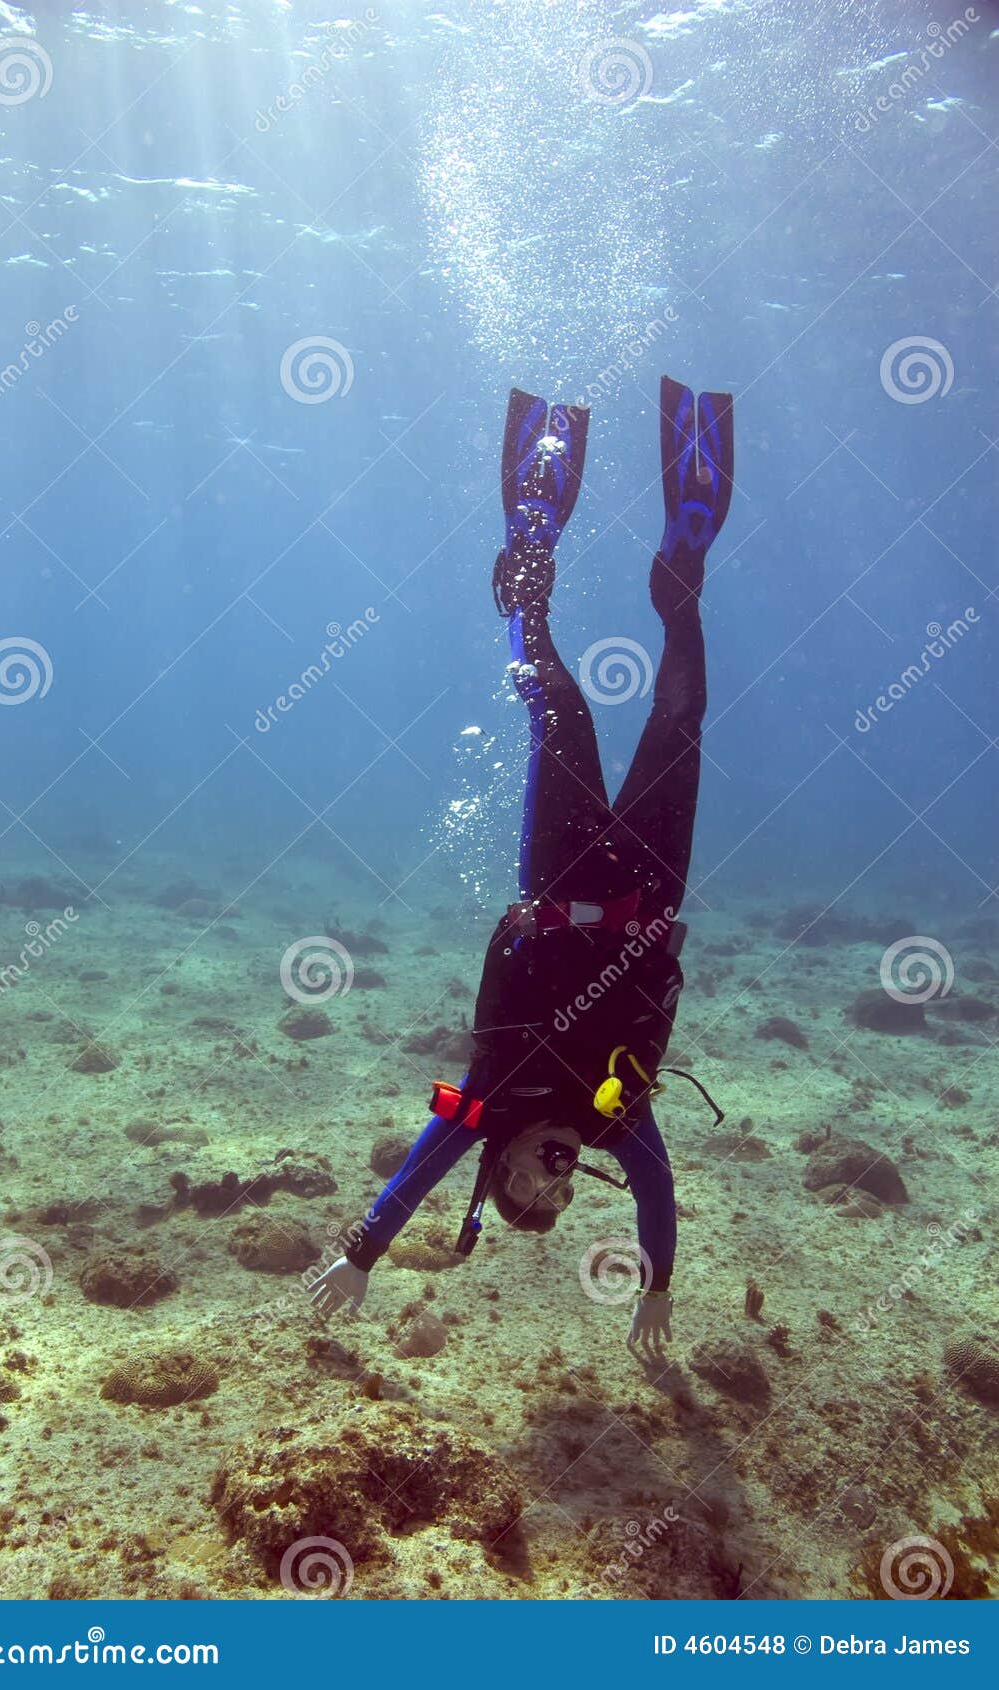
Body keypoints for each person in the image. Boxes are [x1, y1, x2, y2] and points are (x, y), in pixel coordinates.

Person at [310, 376, 734, 1356]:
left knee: (557, 704)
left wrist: (364, 1252)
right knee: (676, 721)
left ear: (492, 1167)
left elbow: (411, 1176)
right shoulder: (611, 1119)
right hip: (648, 889)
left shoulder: (485, 1108)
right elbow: (659, 1193)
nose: (546, 1181)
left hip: (556, 875)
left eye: (520, 1191)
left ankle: (528, 557)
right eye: (556, 1194)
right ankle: (682, 567)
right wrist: (656, 1284)